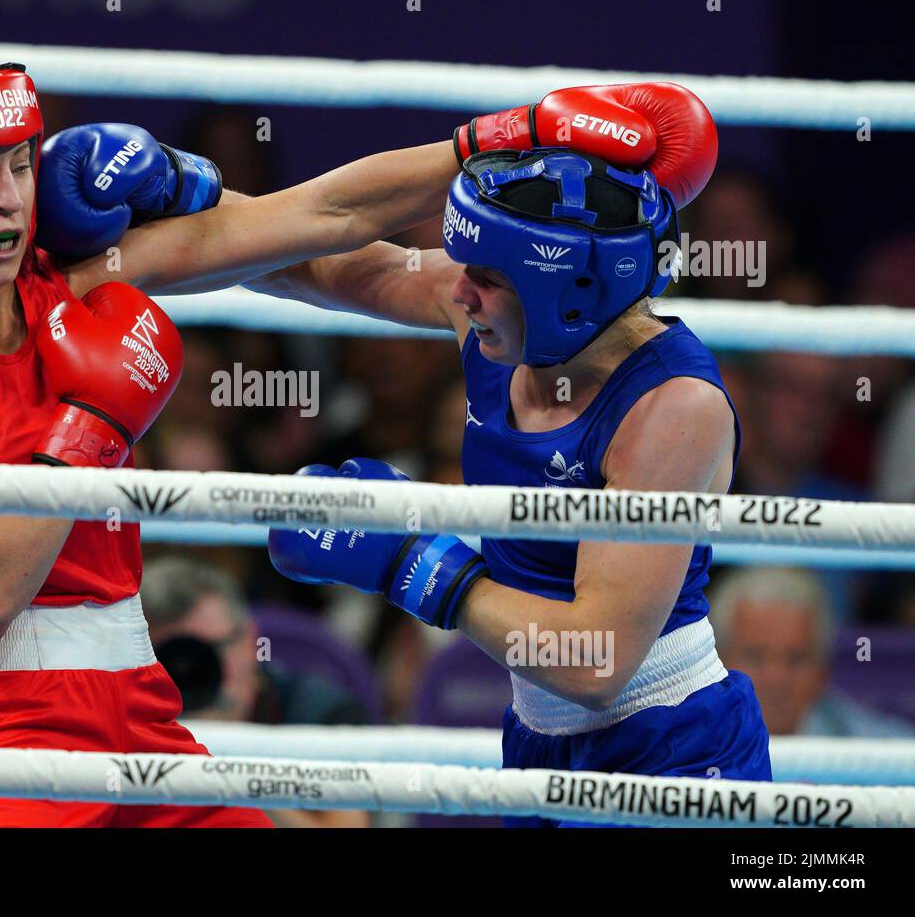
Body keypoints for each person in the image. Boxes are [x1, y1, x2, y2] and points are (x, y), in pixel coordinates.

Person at [0, 57, 519, 827]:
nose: (10, 199)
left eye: (22, 164)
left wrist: (502, 140)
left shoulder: (74, 274)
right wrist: (93, 423)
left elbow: (323, 215)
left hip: (141, 717)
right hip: (0, 742)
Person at [254, 84, 778, 826]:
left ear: (564, 285)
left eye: (488, 277)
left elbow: (596, 662)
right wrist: (181, 199)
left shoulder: (674, 408)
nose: (458, 291)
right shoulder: (495, 314)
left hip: (674, 752)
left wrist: (411, 560)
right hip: (538, 736)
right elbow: (304, 254)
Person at [141, 557, 371, 827]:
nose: (193, 669)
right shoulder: (129, 716)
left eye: (208, 652)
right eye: (175, 656)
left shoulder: (320, 712)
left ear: (250, 641)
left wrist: (219, 766)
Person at [710, 566, 913, 737]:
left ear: (822, 669)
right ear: (718, 662)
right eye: (755, 657)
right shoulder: (683, 748)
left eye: (796, 659)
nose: (776, 679)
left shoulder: (885, 753)